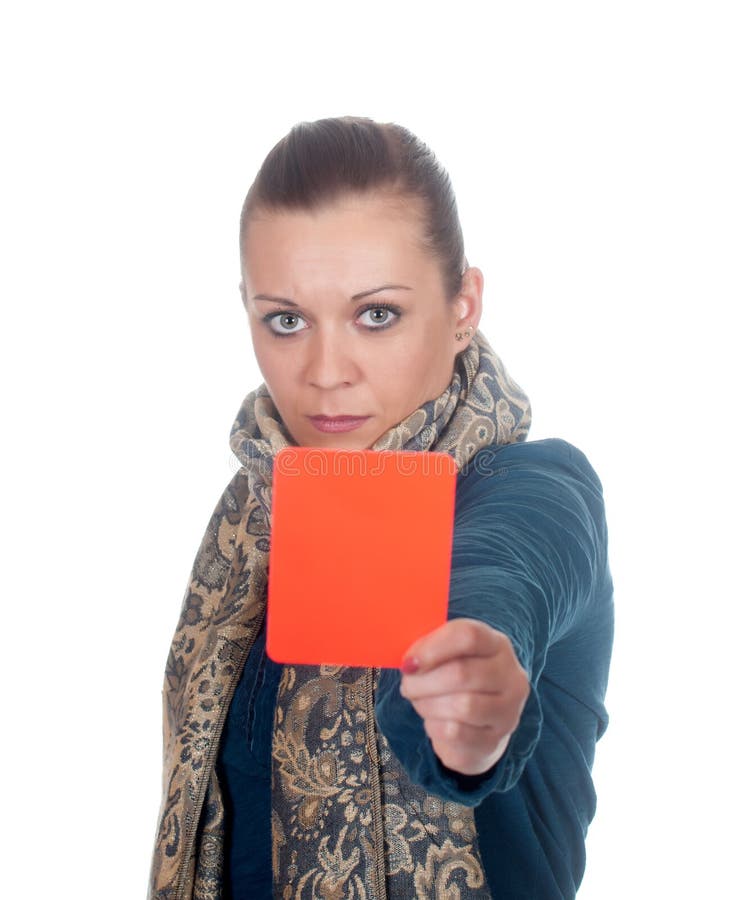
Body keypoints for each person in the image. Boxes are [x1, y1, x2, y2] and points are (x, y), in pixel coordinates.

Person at [148, 116, 614, 900]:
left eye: (376, 314)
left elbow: (502, 577)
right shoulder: (250, 525)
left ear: (463, 304)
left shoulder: (537, 490)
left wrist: (472, 695)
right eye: (286, 320)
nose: (327, 372)